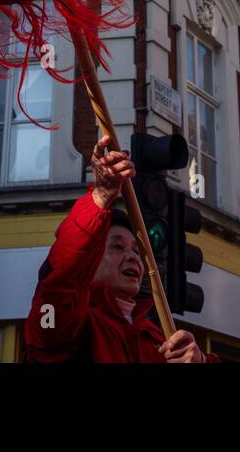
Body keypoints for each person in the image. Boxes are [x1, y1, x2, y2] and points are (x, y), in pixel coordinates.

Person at [24, 135, 214, 362]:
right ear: (91, 261)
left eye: (136, 250)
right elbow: (60, 279)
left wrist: (200, 359)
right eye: (117, 246)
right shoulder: (64, 319)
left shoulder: (159, 339)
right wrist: (101, 196)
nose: (133, 257)